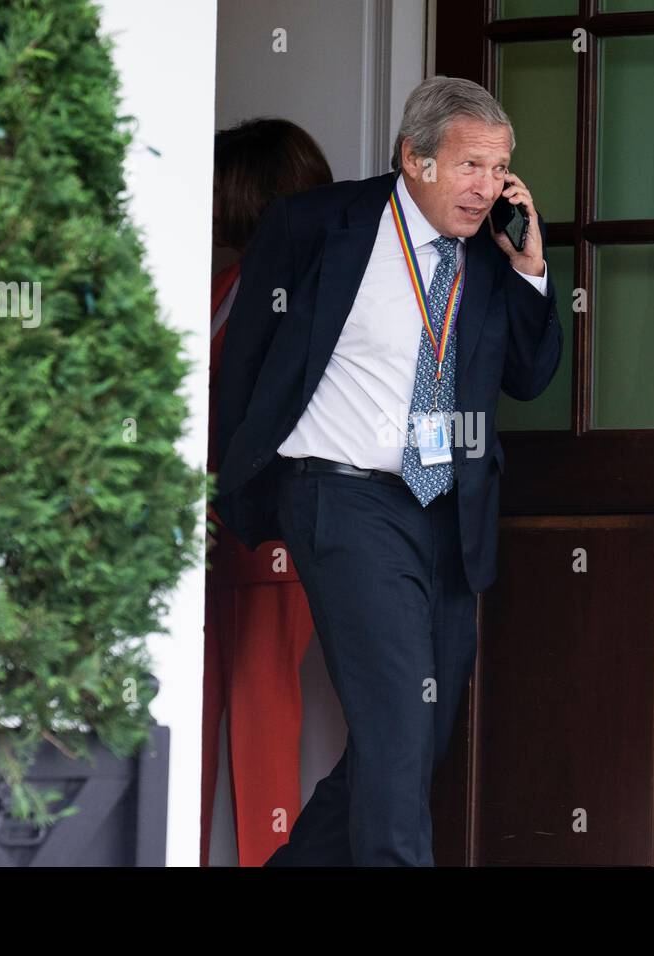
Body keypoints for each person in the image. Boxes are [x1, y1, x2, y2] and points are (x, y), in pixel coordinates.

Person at [213, 75, 562, 865]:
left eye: (500, 168)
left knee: (408, 743)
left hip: (446, 514)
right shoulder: (314, 226)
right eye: (470, 166)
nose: (487, 188)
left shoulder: (489, 253)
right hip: (342, 498)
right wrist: (236, 482)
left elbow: (530, 375)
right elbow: (248, 369)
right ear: (415, 158)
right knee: (398, 728)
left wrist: (533, 267)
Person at [204, 118, 332, 867]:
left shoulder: (304, 291)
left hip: (273, 541)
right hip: (211, 541)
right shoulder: (229, 282)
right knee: (191, 723)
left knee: (262, 730)